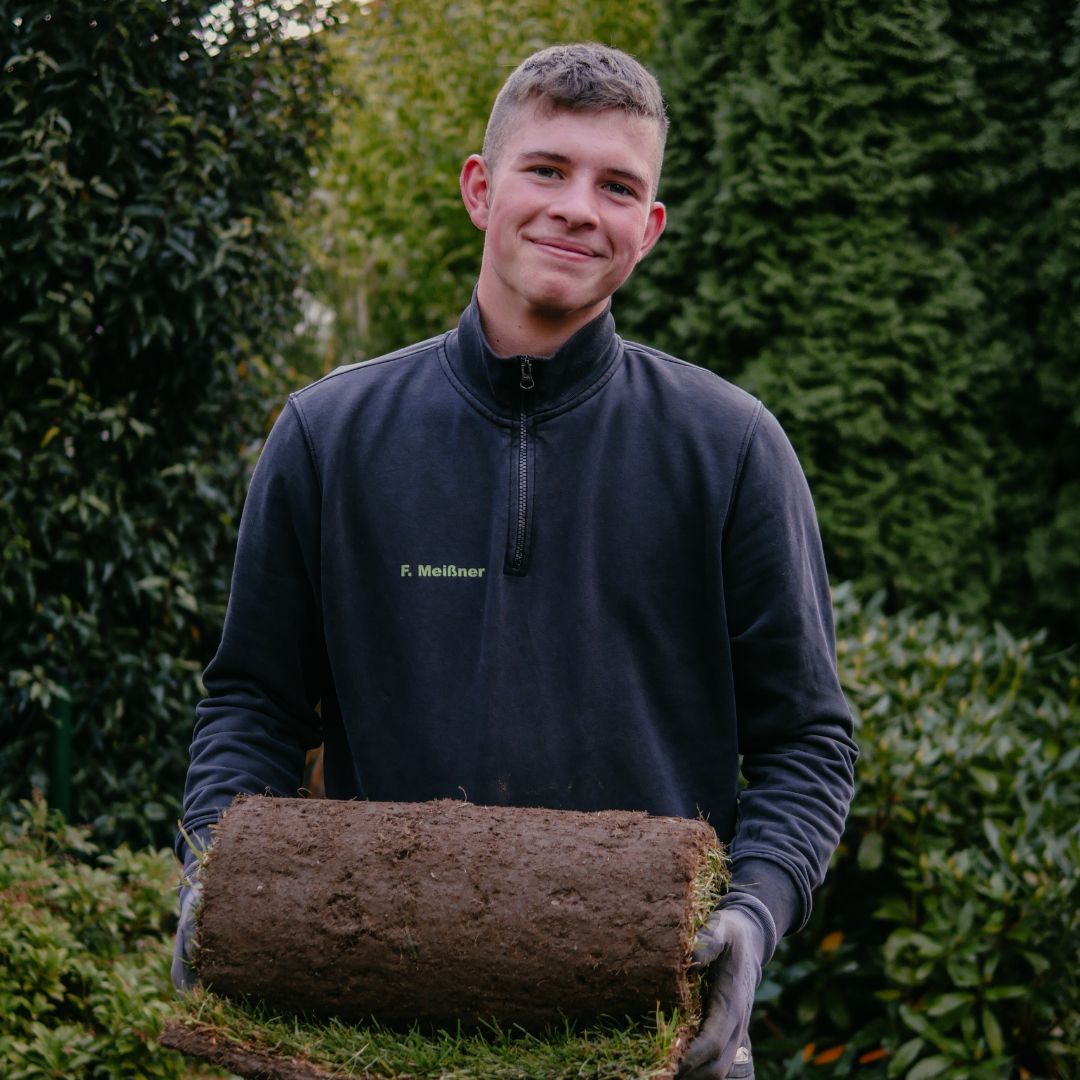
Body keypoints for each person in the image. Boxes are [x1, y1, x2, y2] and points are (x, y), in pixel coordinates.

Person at [173, 43, 857, 1079]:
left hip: (657, 1042)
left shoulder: (732, 448)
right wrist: (216, 881)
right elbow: (254, 708)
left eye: (618, 185)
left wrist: (755, 917)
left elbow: (807, 741)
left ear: (650, 229)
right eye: (547, 169)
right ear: (480, 188)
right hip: (378, 1034)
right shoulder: (329, 436)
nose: (579, 207)